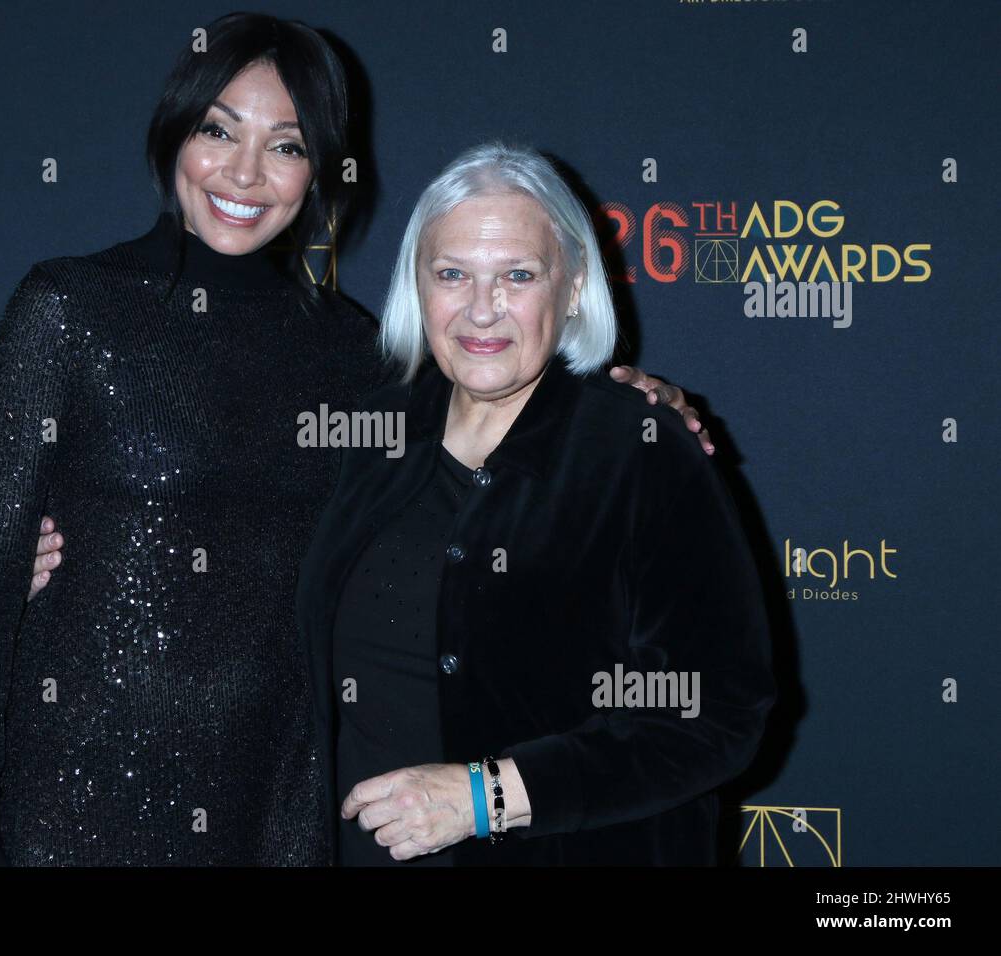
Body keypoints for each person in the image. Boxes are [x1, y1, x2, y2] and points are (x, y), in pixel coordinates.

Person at [0, 12, 715, 867]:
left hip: (280, 795)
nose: (244, 173)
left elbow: (499, 387)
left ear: (319, 171)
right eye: (218, 130)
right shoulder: (69, 310)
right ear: (174, 136)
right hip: (79, 791)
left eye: (286, 145)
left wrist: (631, 397)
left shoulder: (356, 352)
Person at [293, 141, 776, 865]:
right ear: (416, 285)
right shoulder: (373, 433)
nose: (481, 309)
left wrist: (485, 798)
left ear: (573, 286)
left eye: (518, 275)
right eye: (452, 274)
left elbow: (713, 713)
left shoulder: (638, 448)